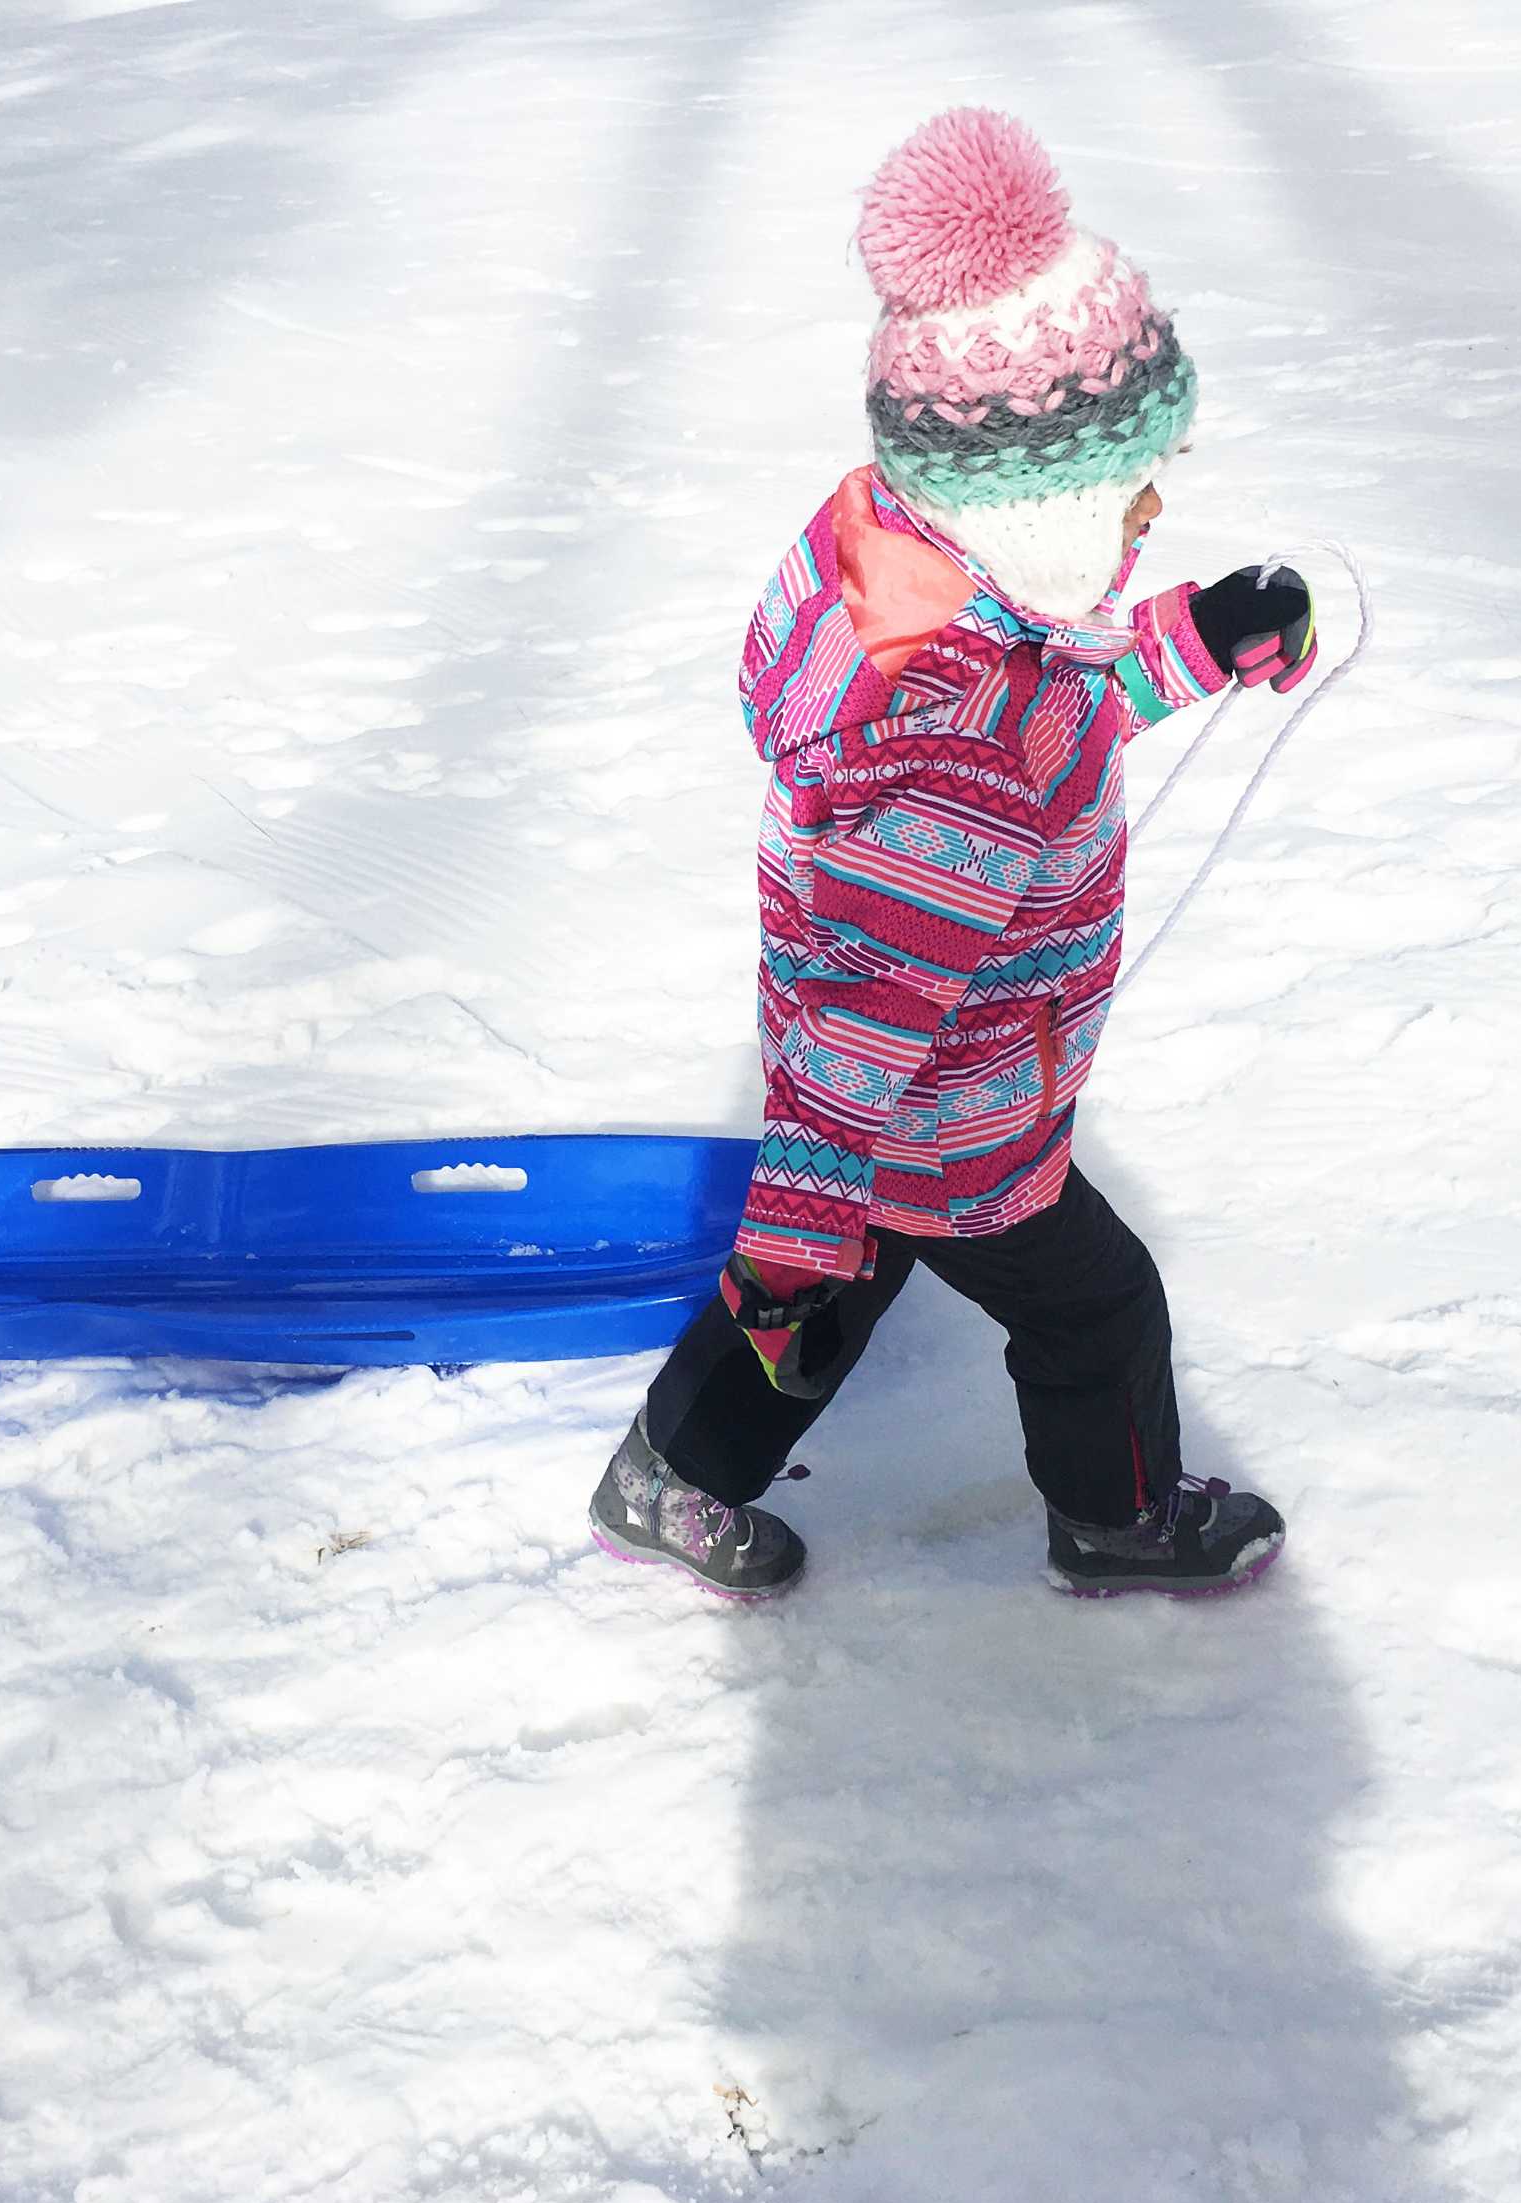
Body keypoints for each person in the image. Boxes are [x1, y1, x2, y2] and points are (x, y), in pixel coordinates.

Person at [589, 108, 1316, 1601]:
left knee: (853, 1267)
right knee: (1094, 1303)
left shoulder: (901, 563)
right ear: (1031, 507)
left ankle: (673, 1471)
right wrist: (788, 1228)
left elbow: (1054, 697)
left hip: (919, 1101)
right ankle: (1116, 1518)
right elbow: (862, 1016)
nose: (1153, 508)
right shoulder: (955, 744)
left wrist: (1191, 636)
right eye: (1130, 490)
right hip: (953, 1103)